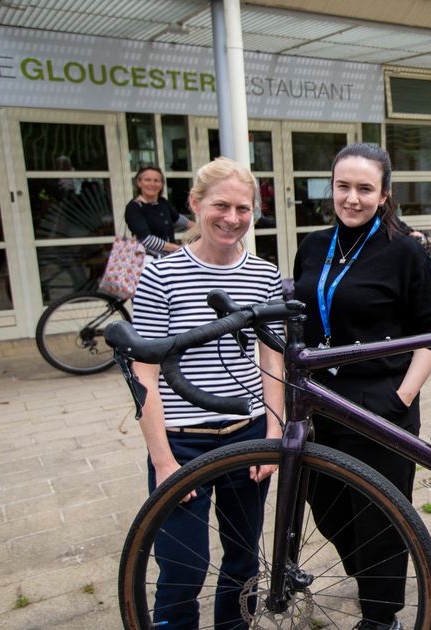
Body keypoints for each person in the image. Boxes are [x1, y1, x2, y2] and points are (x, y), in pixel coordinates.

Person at [292, 143, 431, 630]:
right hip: (322, 404)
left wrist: (400, 397)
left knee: (379, 520)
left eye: (364, 188)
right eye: (343, 186)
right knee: (328, 507)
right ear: (330, 188)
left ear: (384, 195)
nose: (352, 198)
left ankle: (381, 617)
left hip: (381, 404)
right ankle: (370, 582)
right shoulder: (314, 245)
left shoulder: (405, 251)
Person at [130, 157, 285, 629]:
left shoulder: (264, 275)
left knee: (243, 561)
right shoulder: (161, 275)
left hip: (246, 435)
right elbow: (145, 375)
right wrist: (162, 462)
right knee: (182, 567)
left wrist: (273, 438)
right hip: (181, 440)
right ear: (196, 204)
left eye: (243, 208)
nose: (232, 218)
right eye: (221, 205)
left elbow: (271, 360)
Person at [124, 165, 188, 260]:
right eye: (147, 180)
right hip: (147, 261)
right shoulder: (134, 207)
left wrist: (201, 227)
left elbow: (177, 219)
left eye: (156, 180)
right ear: (138, 182)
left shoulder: (163, 202)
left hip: (169, 258)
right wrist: (179, 249)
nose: (152, 184)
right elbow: (147, 240)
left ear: (162, 184)